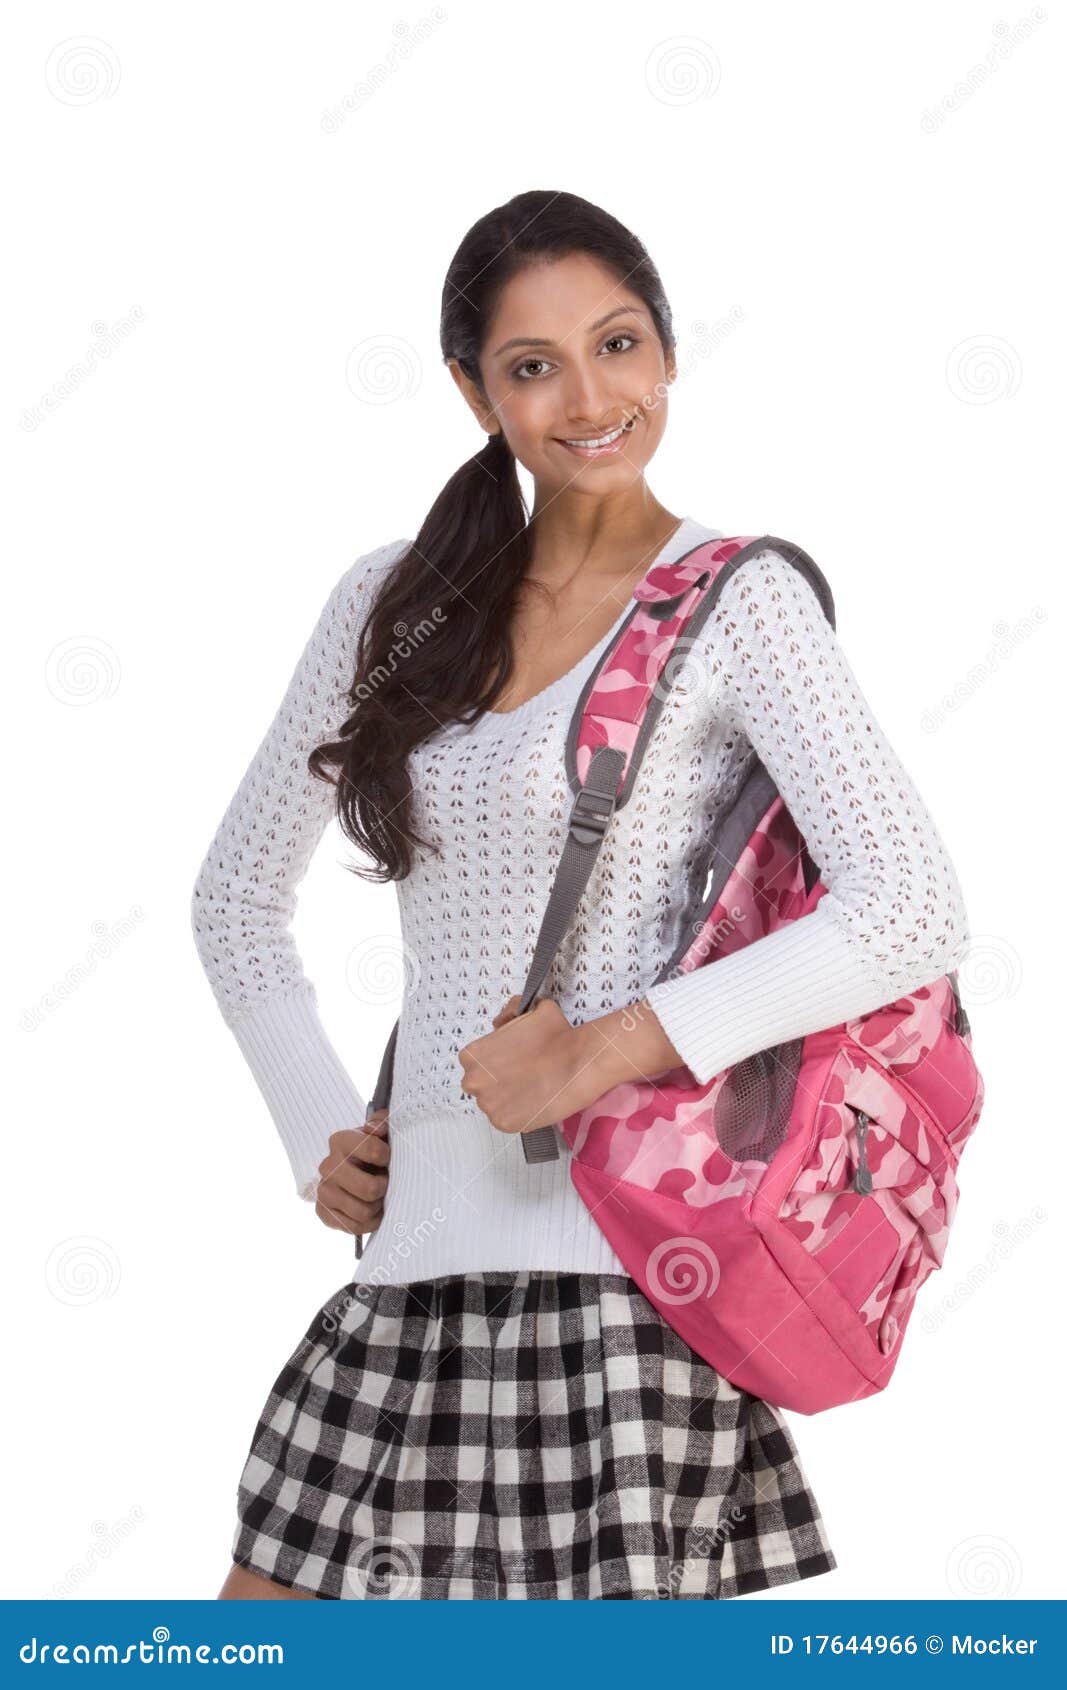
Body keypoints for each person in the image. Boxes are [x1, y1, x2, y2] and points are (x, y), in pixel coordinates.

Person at [191, 189, 969, 1600]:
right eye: (533, 365)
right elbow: (237, 898)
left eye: (619, 345)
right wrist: (321, 1127)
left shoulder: (735, 601)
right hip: (408, 1273)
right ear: (472, 392)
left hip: (627, 1289)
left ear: (669, 353)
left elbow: (910, 903)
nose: (591, 396)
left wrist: (599, 1049)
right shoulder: (397, 604)